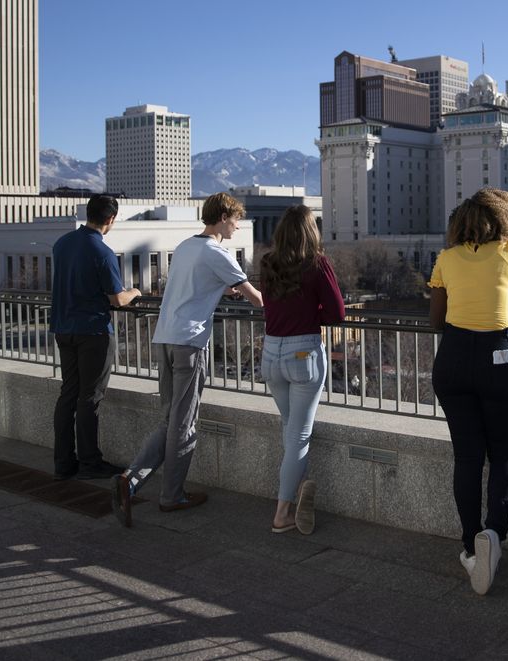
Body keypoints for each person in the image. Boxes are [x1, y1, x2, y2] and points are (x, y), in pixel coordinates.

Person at [112, 193, 262, 527]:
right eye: (236, 218)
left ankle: (130, 480)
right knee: (184, 424)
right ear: (224, 216)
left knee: (171, 420)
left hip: (164, 337)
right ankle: (171, 496)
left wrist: (220, 289)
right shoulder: (217, 252)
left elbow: (190, 287)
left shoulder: (185, 246)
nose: (238, 226)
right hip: (189, 343)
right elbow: (257, 300)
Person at [428, 188, 508, 595]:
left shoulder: (446, 259)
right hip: (496, 358)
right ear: (504, 220)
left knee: (467, 456)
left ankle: (470, 545)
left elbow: (436, 320)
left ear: (460, 224)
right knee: (505, 452)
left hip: (453, 360)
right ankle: (493, 533)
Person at [259, 205, 345, 535]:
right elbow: (337, 313)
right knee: (300, 434)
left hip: (271, 352)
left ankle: (298, 488)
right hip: (303, 353)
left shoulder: (268, 262)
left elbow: (272, 304)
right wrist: (312, 315)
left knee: (290, 426)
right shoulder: (317, 263)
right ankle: (282, 512)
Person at [51, 195, 141, 481]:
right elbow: (116, 299)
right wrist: (135, 293)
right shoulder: (102, 252)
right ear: (111, 219)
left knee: (69, 394)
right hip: (93, 332)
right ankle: (90, 462)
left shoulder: (62, 244)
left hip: (64, 328)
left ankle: (64, 462)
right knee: (90, 398)